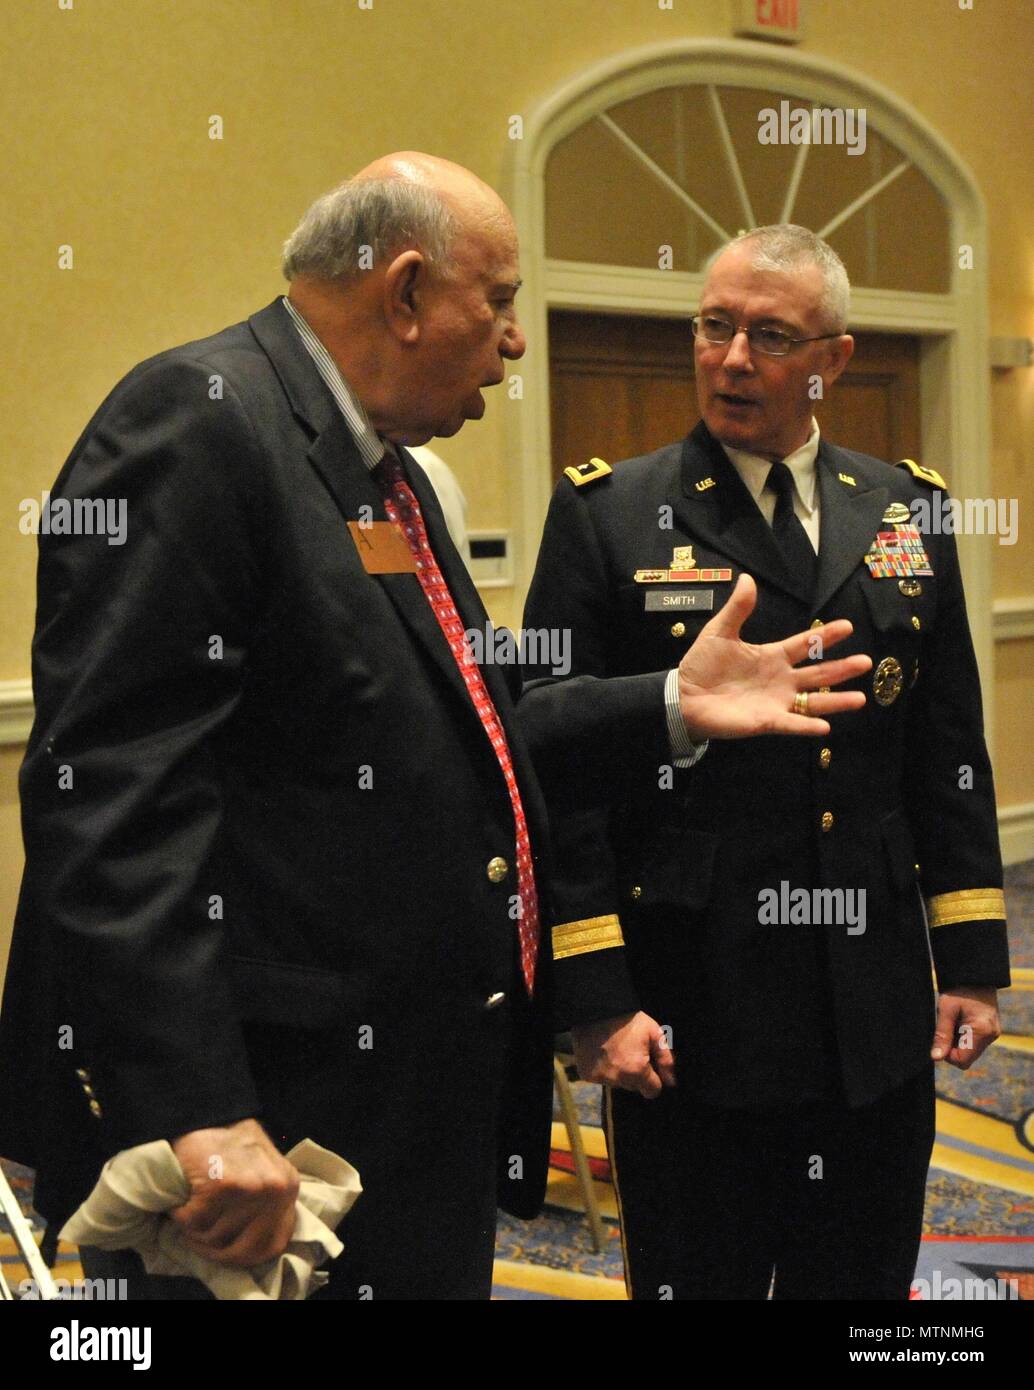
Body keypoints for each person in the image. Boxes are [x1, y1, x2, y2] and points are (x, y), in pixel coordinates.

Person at [0, 168, 870, 1301]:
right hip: (265, 1132)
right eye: (498, 301)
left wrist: (666, 702)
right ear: (405, 293)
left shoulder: (383, 475)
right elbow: (113, 795)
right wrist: (200, 1110)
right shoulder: (202, 423)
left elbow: (469, 729)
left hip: (399, 1106)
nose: (513, 344)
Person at [522, 224, 1011, 1301]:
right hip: (693, 1011)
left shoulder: (903, 510)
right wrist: (596, 997)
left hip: (871, 1010)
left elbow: (945, 751)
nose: (731, 358)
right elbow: (556, 766)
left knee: (861, 1283)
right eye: (713, 326)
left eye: (769, 335)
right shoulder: (608, 515)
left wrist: (969, 954)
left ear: (830, 360)